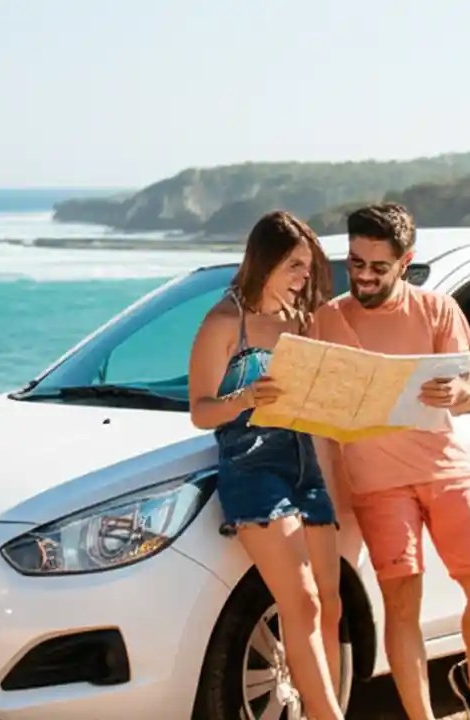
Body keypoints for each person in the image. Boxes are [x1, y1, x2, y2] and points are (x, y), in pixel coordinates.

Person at [310, 203, 470, 720]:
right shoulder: (328, 320)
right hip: (376, 482)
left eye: (378, 267)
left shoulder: (438, 310)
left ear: (406, 261)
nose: (364, 277)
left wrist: (456, 393)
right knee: (401, 606)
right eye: (355, 264)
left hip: (445, 467)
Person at [187, 210, 346, 719]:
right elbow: (200, 411)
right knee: (300, 603)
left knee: (329, 604)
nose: (304, 277)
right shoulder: (222, 322)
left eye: (307, 267)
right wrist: (246, 396)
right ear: (267, 260)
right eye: (296, 265)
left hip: (305, 465)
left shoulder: (300, 319)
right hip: (253, 470)